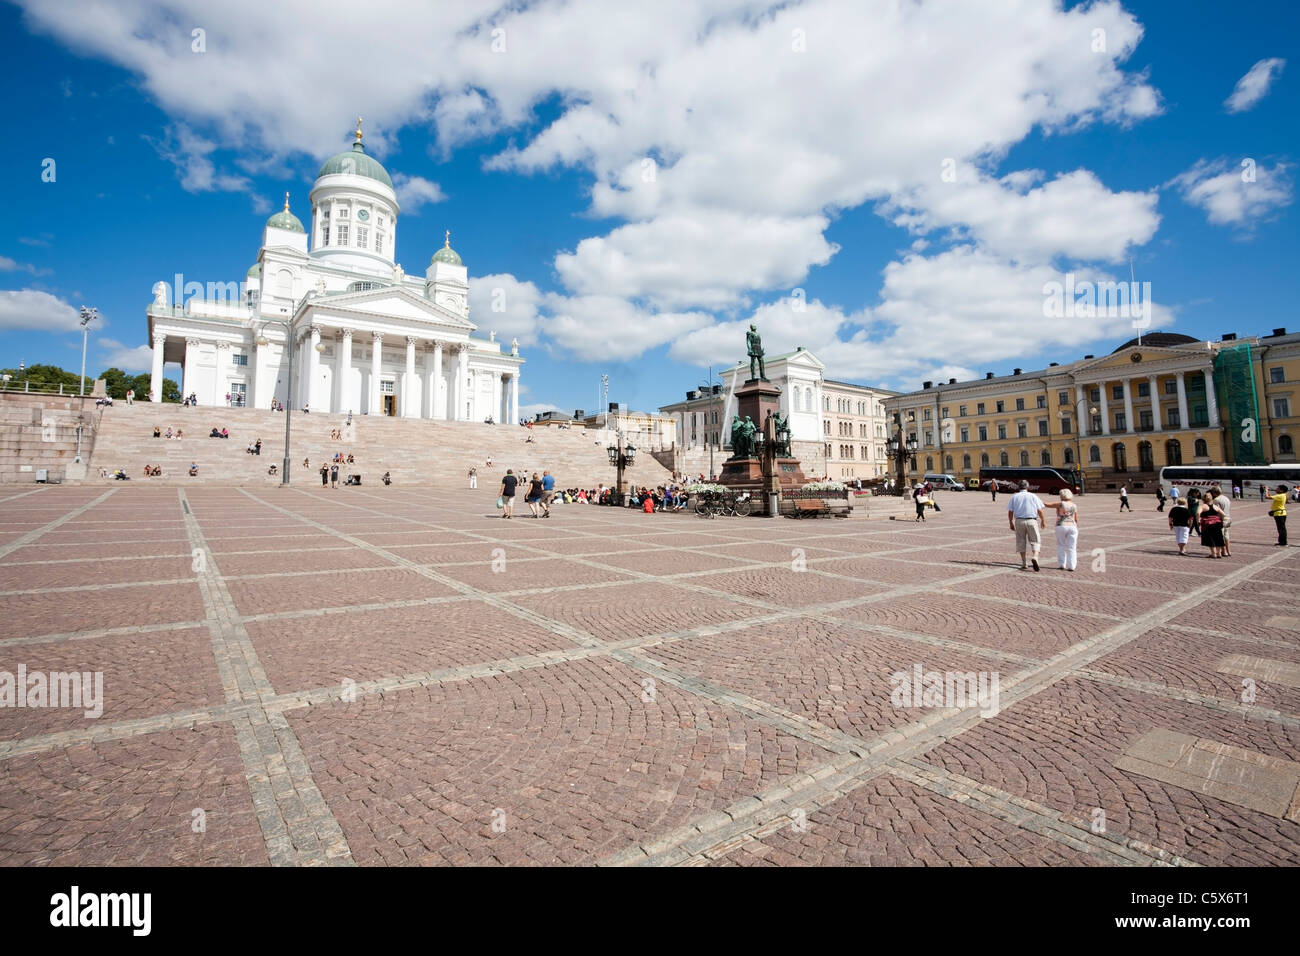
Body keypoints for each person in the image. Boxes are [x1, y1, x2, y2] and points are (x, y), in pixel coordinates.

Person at [1007, 479, 1046, 572]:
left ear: (1018, 487)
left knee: (1021, 541)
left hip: (1019, 521)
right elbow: (1039, 510)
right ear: (1027, 487)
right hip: (1032, 520)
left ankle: (1024, 563)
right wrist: (1043, 520)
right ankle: (1035, 557)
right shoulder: (1033, 496)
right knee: (1035, 540)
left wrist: (1011, 522)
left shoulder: (1014, 497)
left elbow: (1010, 511)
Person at [1052, 489, 1079, 571]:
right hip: (1072, 526)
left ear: (1061, 496)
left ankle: (1062, 564)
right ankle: (1072, 566)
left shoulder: (1060, 504)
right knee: (1072, 547)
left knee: (1061, 545)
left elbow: (1047, 504)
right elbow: (1076, 519)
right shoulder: (1074, 505)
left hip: (1061, 525)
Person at [1198, 493, 1227, 558]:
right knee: (1218, 538)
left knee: (1210, 538)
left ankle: (1213, 554)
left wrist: (1198, 520)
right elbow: (1223, 514)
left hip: (1208, 524)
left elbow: (1198, 513)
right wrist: (1220, 519)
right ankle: (1219, 553)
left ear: (1203, 499)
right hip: (1217, 523)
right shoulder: (1215, 506)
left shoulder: (1202, 506)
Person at [1211, 485, 1232, 557]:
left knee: (1220, 536)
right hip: (1228, 517)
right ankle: (1228, 551)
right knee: (1226, 536)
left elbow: (1217, 511)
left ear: (1214, 492)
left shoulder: (1216, 500)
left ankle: (1224, 551)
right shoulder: (1226, 498)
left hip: (1221, 519)